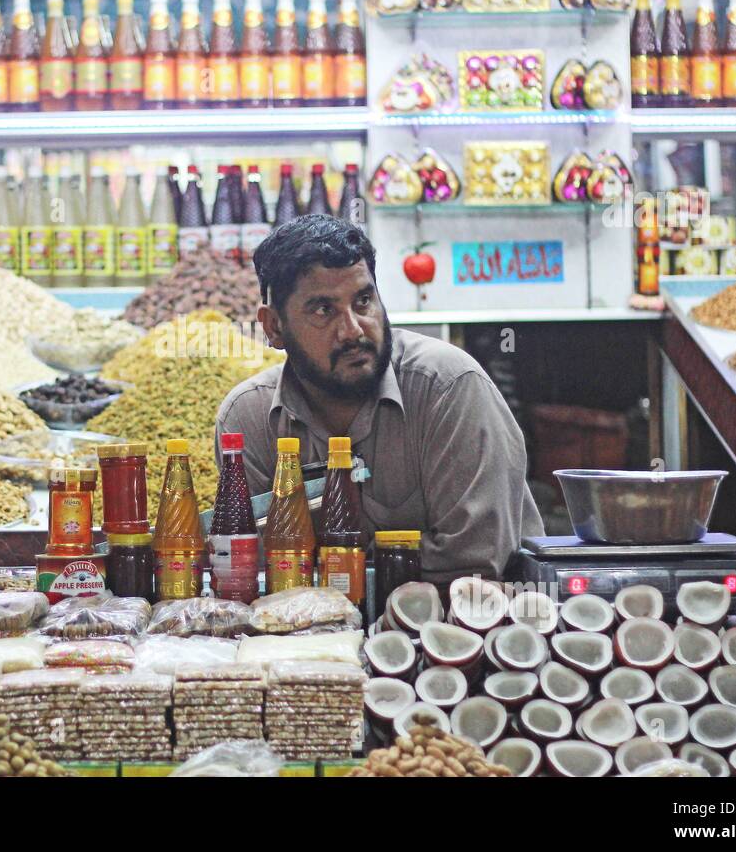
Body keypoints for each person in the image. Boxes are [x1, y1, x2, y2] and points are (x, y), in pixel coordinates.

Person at [215, 213, 543, 582]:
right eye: (324, 310)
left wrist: (339, 571)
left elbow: (476, 559)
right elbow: (260, 569)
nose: (354, 330)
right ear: (274, 327)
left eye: (364, 301)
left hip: (470, 624)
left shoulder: (448, 388)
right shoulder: (249, 420)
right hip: (312, 635)